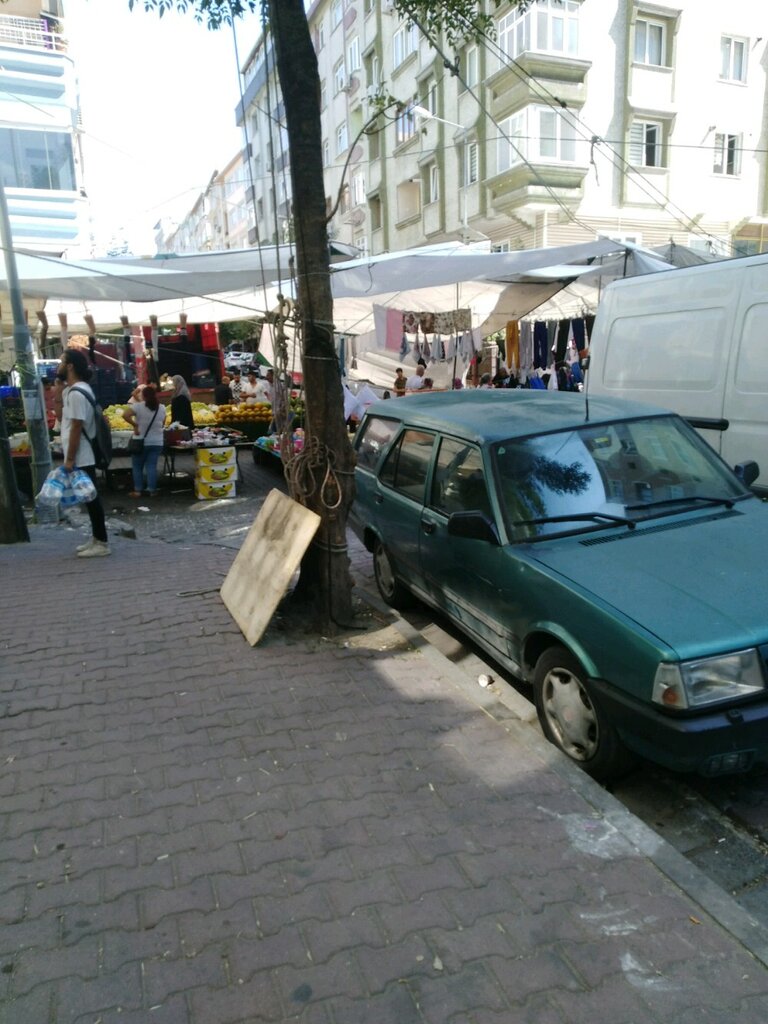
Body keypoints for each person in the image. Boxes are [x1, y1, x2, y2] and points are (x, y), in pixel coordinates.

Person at [58, 348, 110, 558]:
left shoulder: (78, 393)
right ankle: (97, 538)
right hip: (81, 454)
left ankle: (102, 542)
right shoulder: (77, 390)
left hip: (83, 454)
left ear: (70, 366)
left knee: (91, 497)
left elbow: (77, 427)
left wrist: (70, 459)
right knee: (89, 497)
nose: (58, 366)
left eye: (62, 362)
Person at [123, 386, 166, 498]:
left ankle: (138, 491)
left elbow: (125, 415)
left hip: (141, 441)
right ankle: (152, 490)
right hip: (157, 442)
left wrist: (135, 425)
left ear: (143, 396)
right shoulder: (162, 408)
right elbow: (163, 423)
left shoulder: (138, 407)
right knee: (151, 466)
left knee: (137, 466)